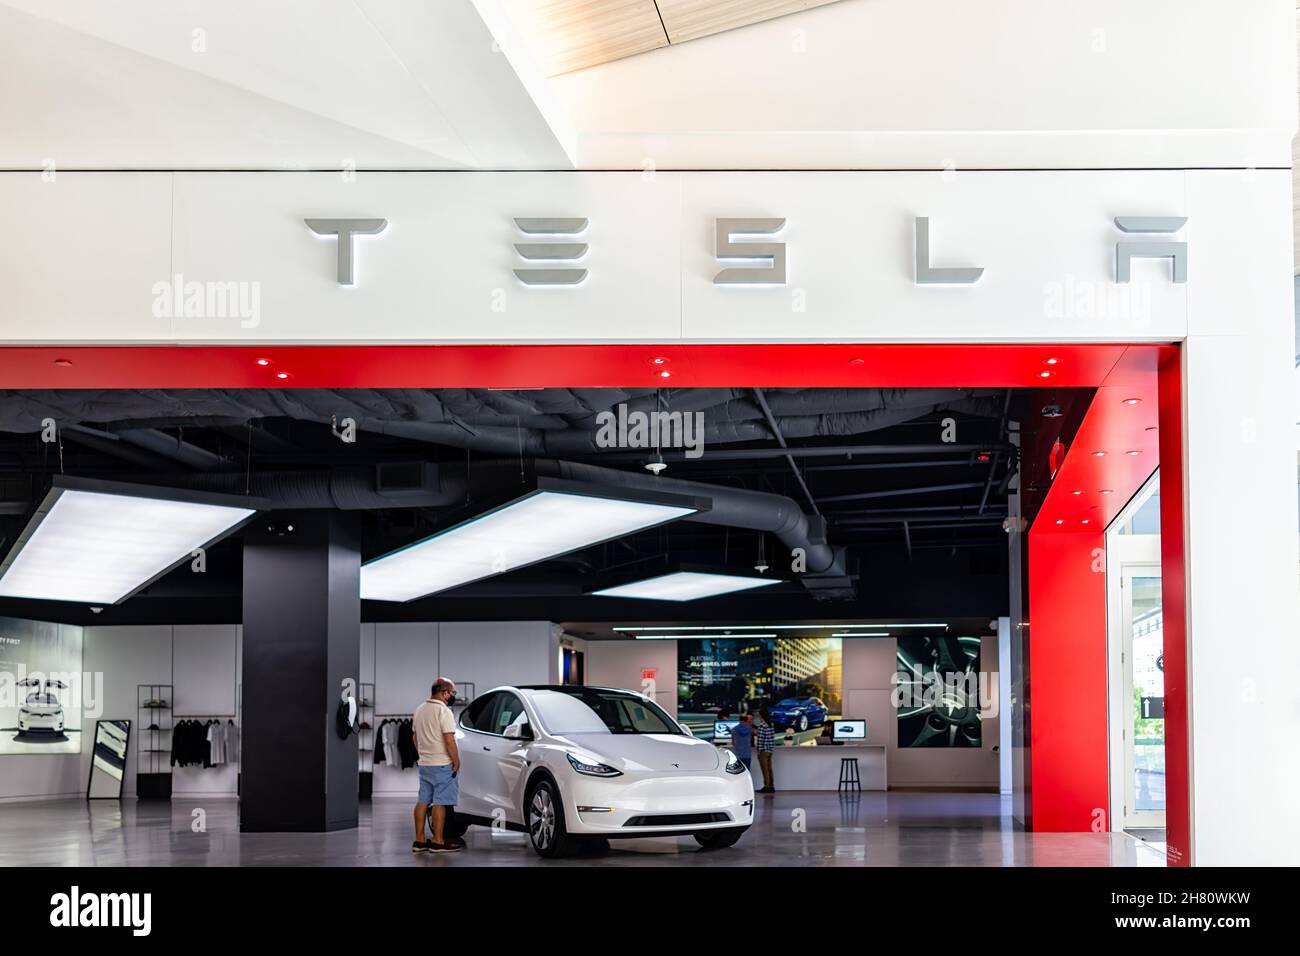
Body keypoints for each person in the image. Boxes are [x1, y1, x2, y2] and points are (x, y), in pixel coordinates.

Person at [412, 678, 462, 853]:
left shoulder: (419, 709)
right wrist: (456, 761)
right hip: (442, 764)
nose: (453, 696)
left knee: (423, 800)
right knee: (440, 802)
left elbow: (414, 738)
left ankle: (419, 841)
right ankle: (438, 841)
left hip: (425, 764)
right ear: (444, 692)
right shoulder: (444, 711)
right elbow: (449, 739)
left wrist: (423, 755)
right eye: (452, 693)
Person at [754, 706, 776, 793]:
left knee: (765, 769)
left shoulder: (762, 725)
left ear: (761, 715)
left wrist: (759, 750)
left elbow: (760, 739)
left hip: (763, 750)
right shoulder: (771, 724)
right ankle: (771, 786)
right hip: (770, 750)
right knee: (769, 768)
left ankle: (766, 786)